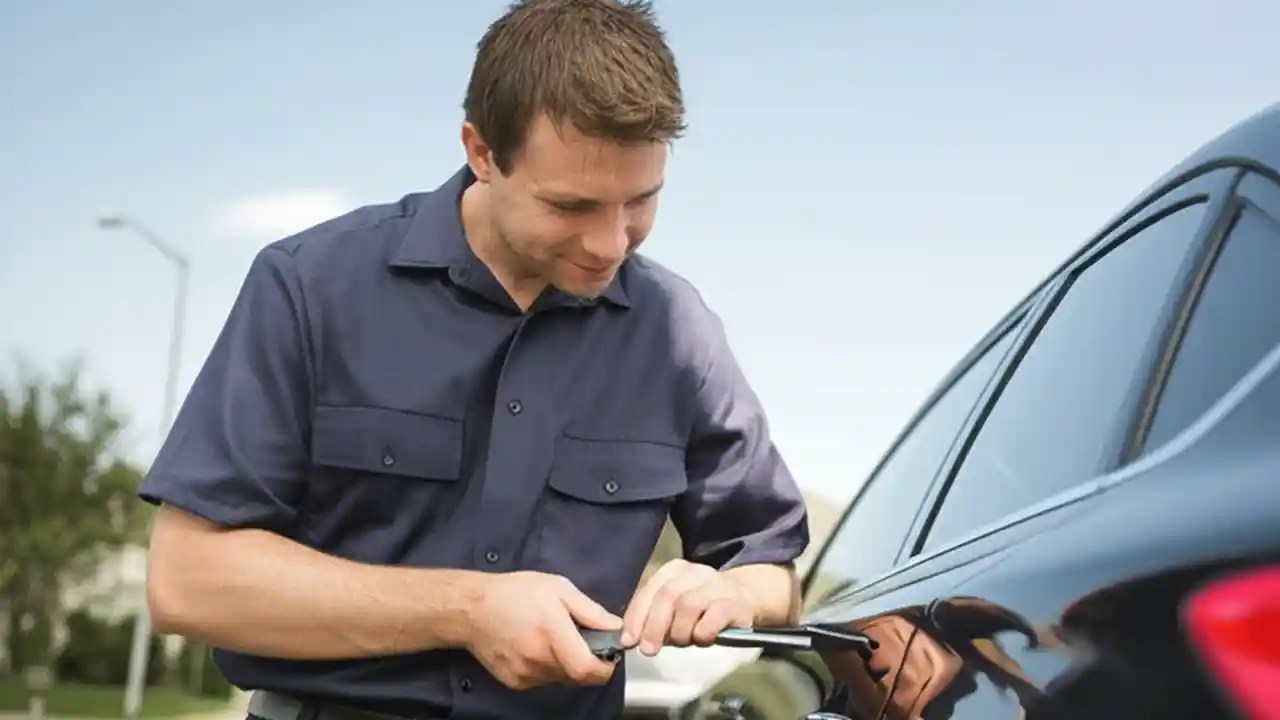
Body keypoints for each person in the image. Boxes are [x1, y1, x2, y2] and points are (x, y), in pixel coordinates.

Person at [138, 1, 810, 718]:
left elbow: (775, 574)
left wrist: (733, 592)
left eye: (640, 202)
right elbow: (187, 581)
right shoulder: (309, 287)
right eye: (572, 206)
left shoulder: (679, 335)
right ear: (481, 151)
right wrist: (469, 609)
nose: (611, 244)